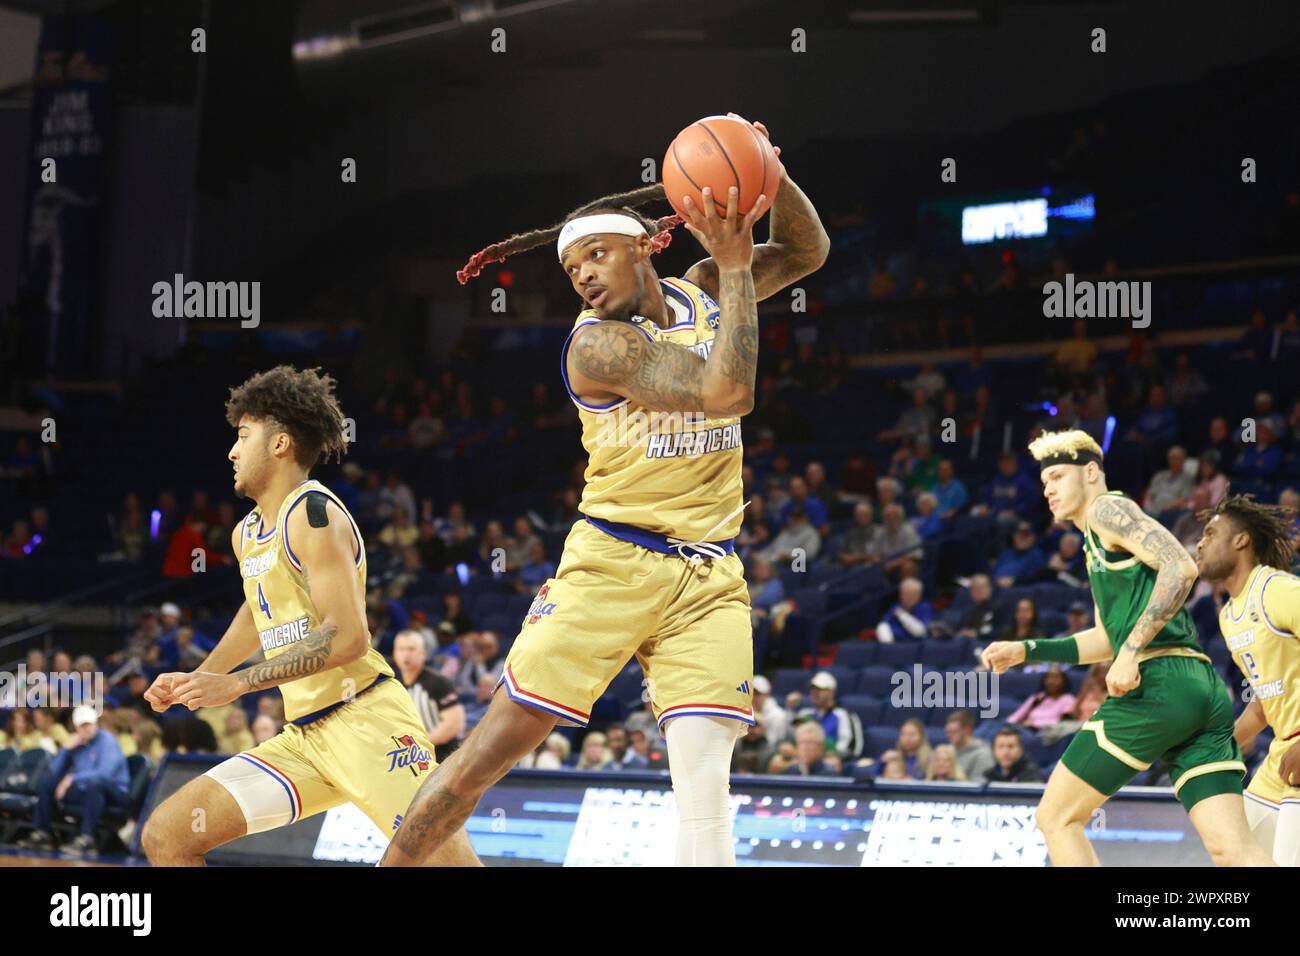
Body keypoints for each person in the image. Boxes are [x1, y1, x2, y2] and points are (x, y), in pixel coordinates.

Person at [384, 116, 829, 868]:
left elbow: (809, 249)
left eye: (596, 254)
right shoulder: (598, 344)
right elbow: (727, 393)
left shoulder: (705, 289)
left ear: (650, 245)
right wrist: (738, 265)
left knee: (706, 790)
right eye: (572, 269)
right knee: (482, 761)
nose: (584, 275)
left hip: (709, 576)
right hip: (612, 565)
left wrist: (769, 175)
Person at [138, 366, 479, 867]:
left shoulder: (313, 513)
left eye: (243, 436)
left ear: (279, 444)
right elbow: (257, 613)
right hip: (304, 740)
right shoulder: (247, 532)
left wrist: (238, 685)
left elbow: (346, 639)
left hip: (368, 725)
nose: (232, 451)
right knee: (167, 836)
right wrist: (202, 678)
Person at [981, 429, 1271, 866]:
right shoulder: (1094, 544)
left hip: (1157, 685)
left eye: (1058, 476)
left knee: (1057, 818)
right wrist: (1028, 649)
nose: (1049, 490)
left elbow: (1180, 564)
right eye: (1044, 483)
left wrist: (1132, 651)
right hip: (1201, 691)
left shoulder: (1107, 508)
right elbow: (1103, 640)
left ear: (1092, 472)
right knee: (1233, 850)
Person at [1194, 495, 1300, 865]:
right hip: (1280, 755)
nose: (1200, 542)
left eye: (1211, 532)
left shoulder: (1279, 590)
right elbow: (1265, 702)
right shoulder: (1230, 615)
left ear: (1241, 540)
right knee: (1233, 854)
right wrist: (1217, 748)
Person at [17, 706, 129, 857]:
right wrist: (65, 750)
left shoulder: (107, 741)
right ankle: (43, 834)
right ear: (76, 727)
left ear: (95, 723)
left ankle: (87, 838)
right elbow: (54, 771)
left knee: (95, 783)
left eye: (89, 724)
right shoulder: (76, 744)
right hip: (86, 790)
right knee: (47, 782)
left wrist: (72, 778)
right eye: (82, 725)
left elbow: (105, 774)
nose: (87, 728)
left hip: (114, 791)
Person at [391, 629, 466, 763]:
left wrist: (418, 746)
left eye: (411, 649)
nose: (405, 655)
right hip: (408, 760)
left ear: (423, 653)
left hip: (441, 759)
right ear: (394, 653)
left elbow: (454, 723)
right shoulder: (392, 685)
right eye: (401, 649)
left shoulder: (438, 682)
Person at [794, 672, 863, 758]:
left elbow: (851, 748)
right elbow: (793, 738)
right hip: (801, 757)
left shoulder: (844, 715)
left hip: (831, 759)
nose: (815, 693)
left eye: (820, 689)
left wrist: (825, 753)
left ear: (831, 692)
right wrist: (790, 708)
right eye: (812, 689)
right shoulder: (804, 713)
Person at [1007, 667, 1077, 731]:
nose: (1051, 682)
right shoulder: (1038, 697)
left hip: (1049, 733)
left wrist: (1035, 725)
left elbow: (1065, 723)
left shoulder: (1068, 699)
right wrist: (1009, 725)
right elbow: (1017, 716)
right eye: (1048, 678)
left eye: (1056, 678)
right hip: (1026, 729)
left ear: (1064, 681)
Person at [875, 577, 934, 643]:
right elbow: (884, 624)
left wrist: (902, 615)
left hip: (916, 645)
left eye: (911, 594)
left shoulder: (924, 607)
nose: (908, 597)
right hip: (894, 644)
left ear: (919, 595)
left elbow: (920, 632)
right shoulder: (896, 606)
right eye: (905, 594)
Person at [945, 710, 994, 780]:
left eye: (953, 732)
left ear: (967, 730)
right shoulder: (946, 751)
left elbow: (978, 785)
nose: (948, 735)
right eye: (947, 732)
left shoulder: (983, 754)